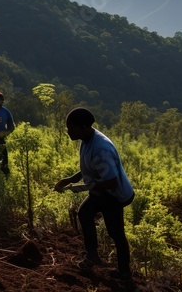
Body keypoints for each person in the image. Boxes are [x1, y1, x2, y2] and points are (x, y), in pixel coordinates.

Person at [54, 107, 135, 279]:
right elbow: (90, 167)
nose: (68, 131)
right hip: (100, 191)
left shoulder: (101, 148)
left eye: (70, 128)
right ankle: (92, 255)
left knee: (116, 234)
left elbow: (111, 181)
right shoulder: (86, 139)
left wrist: (82, 188)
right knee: (84, 213)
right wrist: (71, 179)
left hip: (113, 195)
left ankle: (125, 274)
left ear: (83, 127)